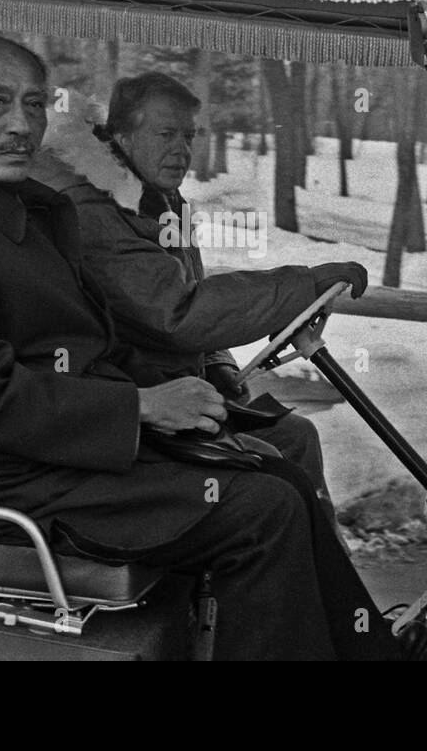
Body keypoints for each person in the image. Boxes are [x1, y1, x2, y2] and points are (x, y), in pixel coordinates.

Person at [0, 36, 399, 661]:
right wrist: (142, 407)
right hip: (9, 479)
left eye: (34, 104)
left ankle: (375, 656)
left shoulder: (27, 215)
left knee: (278, 469)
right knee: (264, 509)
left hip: (66, 453)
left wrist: (188, 386)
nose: (20, 124)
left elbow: (98, 341)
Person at [30, 71, 364, 526]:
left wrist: (220, 367)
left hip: (173, 386)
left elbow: (197, 316)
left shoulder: (163, 200)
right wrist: (304, 285)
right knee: (273, 469)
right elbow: (179, 312)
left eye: (188, 136)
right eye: (166, 134)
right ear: (123, 136)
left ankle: (329, 587)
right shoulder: (92, 210)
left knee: (296, 435)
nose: (182, 150)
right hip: (129, 406)